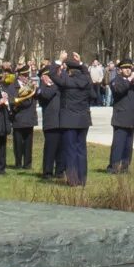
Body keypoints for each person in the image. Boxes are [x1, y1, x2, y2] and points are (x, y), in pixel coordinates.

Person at [49, 52, 93, 186]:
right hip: (83, 120)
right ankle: (82, 179)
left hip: (69, 120)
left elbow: (52, 74)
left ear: (68, 71)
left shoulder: (66, 81)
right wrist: (80, 63)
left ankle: (73, 180)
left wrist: (59, 60)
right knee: (81, 150)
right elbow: (87, 73)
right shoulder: (86, 81)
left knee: (70, 150)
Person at [107, 62, 134, 172]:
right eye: (125, 68)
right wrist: (129, 79)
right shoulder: (115, 81)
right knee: (118, 144)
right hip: (121, 117)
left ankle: (125, 167)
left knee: (128, 145)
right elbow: (119, 90)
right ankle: (113, 167)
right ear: (120, 70)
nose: (128, 70)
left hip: (133, 117)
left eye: (129, 68)